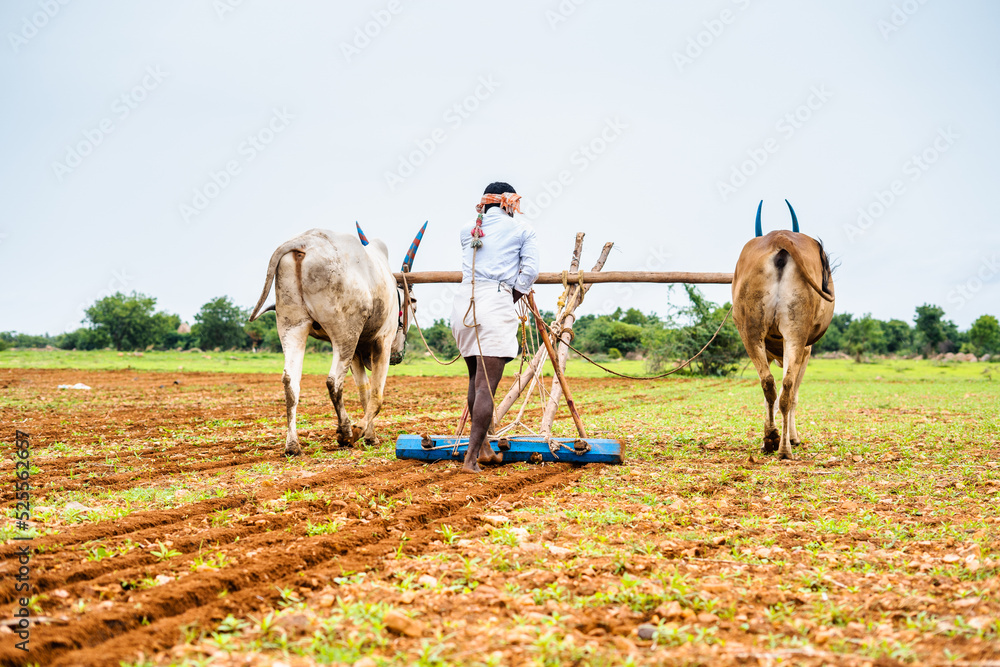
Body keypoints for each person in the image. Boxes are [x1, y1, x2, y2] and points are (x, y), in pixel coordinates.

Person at [451, 182, 540, 474]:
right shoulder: (522, 229)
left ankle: (485, 448)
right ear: (508, 204)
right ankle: (471, 459)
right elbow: (530, 271)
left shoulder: (467, 229)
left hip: (464, 304)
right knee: (486, 387)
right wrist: (510, 297)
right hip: (495, 301)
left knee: (475, 380)